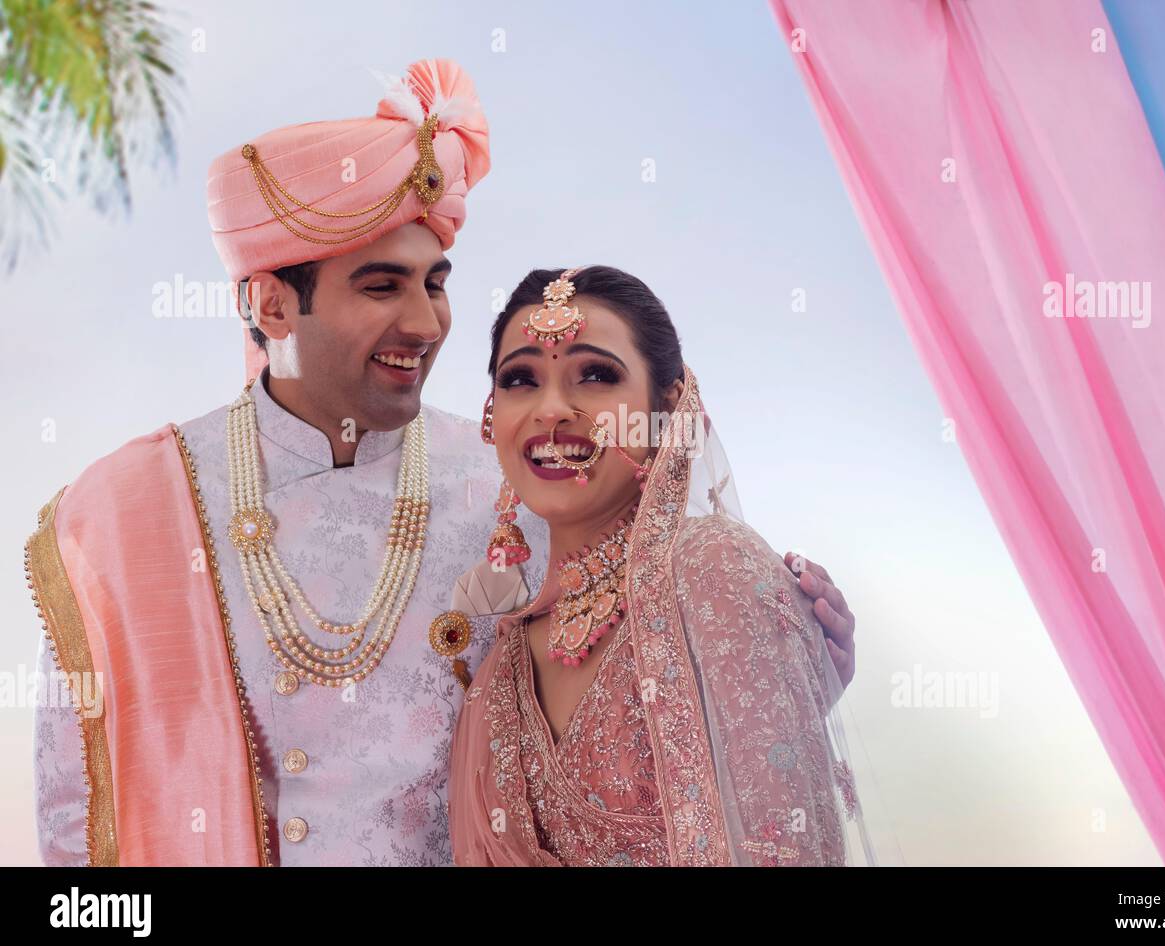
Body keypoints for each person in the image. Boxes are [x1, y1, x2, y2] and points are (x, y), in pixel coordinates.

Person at [27, 60, 859, 866]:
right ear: (272, 302)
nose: (427, 324)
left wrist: (787, 665)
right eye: (383, 286)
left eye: (437, 283)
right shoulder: (125, 517)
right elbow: (74, 832)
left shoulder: (525, 489)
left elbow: (665, 726)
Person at [449, 266, 885, 865]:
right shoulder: (502, 664)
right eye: (520, 379)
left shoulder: (713, 571)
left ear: (667, 405)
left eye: (596, 374)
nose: (550, 409)